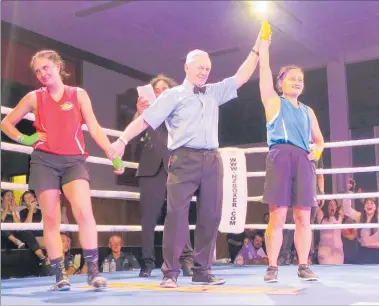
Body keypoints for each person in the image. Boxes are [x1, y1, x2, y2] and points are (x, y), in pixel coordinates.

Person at [108, 29, 262, 288]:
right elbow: (146, 120)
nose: (204, 71)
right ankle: (170, 273)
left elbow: (242, 76)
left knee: (210, 216)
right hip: (183, 158)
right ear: (187, 68)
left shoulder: (213, 92)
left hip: (212, 159)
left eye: (208, 68)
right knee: (176, 216)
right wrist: (122, 140)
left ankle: (203, 271)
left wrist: (258, 47)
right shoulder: (173, 95)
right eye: (200, 67)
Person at [0, 49, 124, 291]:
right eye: (37, 71)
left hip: (73, 161)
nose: (42, 74)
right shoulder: (34, 97)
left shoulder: (78, 94)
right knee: (51, 218)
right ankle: (60, 276)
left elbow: (95, 128)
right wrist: (27, 139)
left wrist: (113, 154)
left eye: (46, 68)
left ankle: (94, 273)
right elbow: (6, 123)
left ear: (58, 66)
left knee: (84, 212)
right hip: (44, 161)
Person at [258, 22, 324, 282]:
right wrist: (264, 43)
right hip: (280, 157)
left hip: (303, 160)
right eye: (292, 78)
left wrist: (317, 151)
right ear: (280, 82)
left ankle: (304, 265)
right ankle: (272, 266)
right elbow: (264, 69)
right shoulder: (273, 102)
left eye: (301, 79)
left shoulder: (308, 111)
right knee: (278, 214)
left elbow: (319, 140)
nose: (297, 82)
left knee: (303, 215)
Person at [133, 74, 194, 278]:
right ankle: (147, 264)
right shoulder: (145, 114)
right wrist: (139, 113)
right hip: (150, 170)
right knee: (148, 219)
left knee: (179, 215)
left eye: (164, 89)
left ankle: (187, 261)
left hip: (175, 167)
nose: (160, 92)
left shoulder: (179, 111)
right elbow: (132, 137)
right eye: (156, 89)